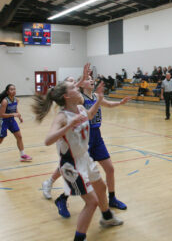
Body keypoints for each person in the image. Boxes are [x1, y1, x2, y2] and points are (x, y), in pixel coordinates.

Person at [32, 80, 123, 241]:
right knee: (92, 202)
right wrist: (68, 126)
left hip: (85, 158)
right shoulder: (62, 116)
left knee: (101, 188)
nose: (78, 88)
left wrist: (99, 100)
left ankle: (107, 217)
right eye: (74, 87)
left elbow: (90, 115)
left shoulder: (80, 108)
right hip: (71, 165)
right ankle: (79, 238)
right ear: (67, 96)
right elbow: (48, 140)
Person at [42, 75, 132, 215]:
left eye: (92, 78)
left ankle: (112, 198)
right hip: (83, 136)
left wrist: (120, 103)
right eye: (88, 79)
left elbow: (107, 104)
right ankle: (61, 197)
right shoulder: (80, 98)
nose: (91, 80)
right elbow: (69, 96)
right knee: (77, 172)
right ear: (81, 84)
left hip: (97, 136)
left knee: (110, 168)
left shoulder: (95, 95)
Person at [0, 84, 32, 162]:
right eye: (11, 89)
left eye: (14, 89)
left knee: (19, 137)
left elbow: (15, 108)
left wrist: (19, 116)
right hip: (3, 121)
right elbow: (1, 114)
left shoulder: (16, 100)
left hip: (11, 121)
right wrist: (13, 114)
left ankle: (23, 155)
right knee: (0, 140)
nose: (14, 91)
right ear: (7, 92)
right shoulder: (4, 101)